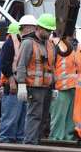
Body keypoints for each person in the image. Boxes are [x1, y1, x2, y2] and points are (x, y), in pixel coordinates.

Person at [15, 13, 54, 144]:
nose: (49, 33)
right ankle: (30, 143)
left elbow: (51, 66)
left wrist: (54, 86)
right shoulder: (27, 43)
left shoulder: (49, 44)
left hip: (46, 87)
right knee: (34, 115)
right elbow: (21, 65)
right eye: (47, 30)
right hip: (34, 87)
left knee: (44, 117)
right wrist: (21, 84)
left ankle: (37, 141)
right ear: (39, 28)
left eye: (51, 31)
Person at [49, 28, 81, 142]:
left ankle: (68, 139)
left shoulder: (79, 46)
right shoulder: (54, 43)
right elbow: (50, 64)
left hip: (75, 88)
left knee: (71, 118)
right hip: (60, 87)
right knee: (59, 116)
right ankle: (56, 139)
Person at [0, 21, 26, 143]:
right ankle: (5, 138)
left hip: (21, 84)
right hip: (12, 85)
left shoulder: (21, 43)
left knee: (20, 115)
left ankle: (17, 138)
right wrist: (11, 81)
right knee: (11, 115)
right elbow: (4, 65)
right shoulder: (10, 43)